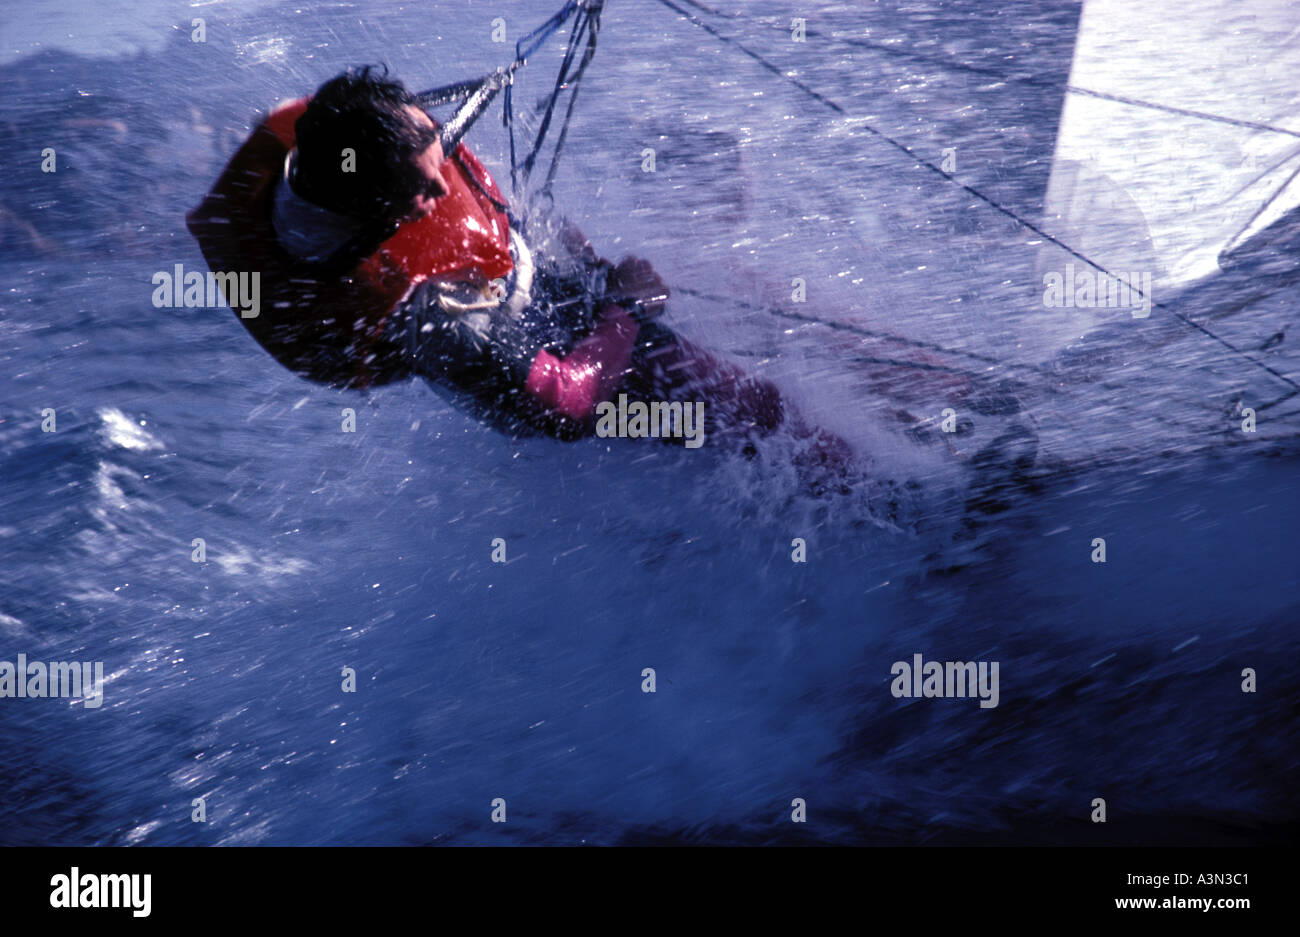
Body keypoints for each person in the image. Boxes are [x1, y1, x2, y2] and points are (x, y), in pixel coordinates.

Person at [187, 66, 853, 489]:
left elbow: (474, 202)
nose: (444, 180)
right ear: (384, 212)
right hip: (537, 368)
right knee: (754, 407)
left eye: (438, 147)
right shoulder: (433, 315)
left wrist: (585, 263)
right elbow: (565, 405)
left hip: (523, 295)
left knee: (750, 291)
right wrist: (619, 310)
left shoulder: (338, 128)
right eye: (425, 188)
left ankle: (893, 384)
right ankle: (888, 507)